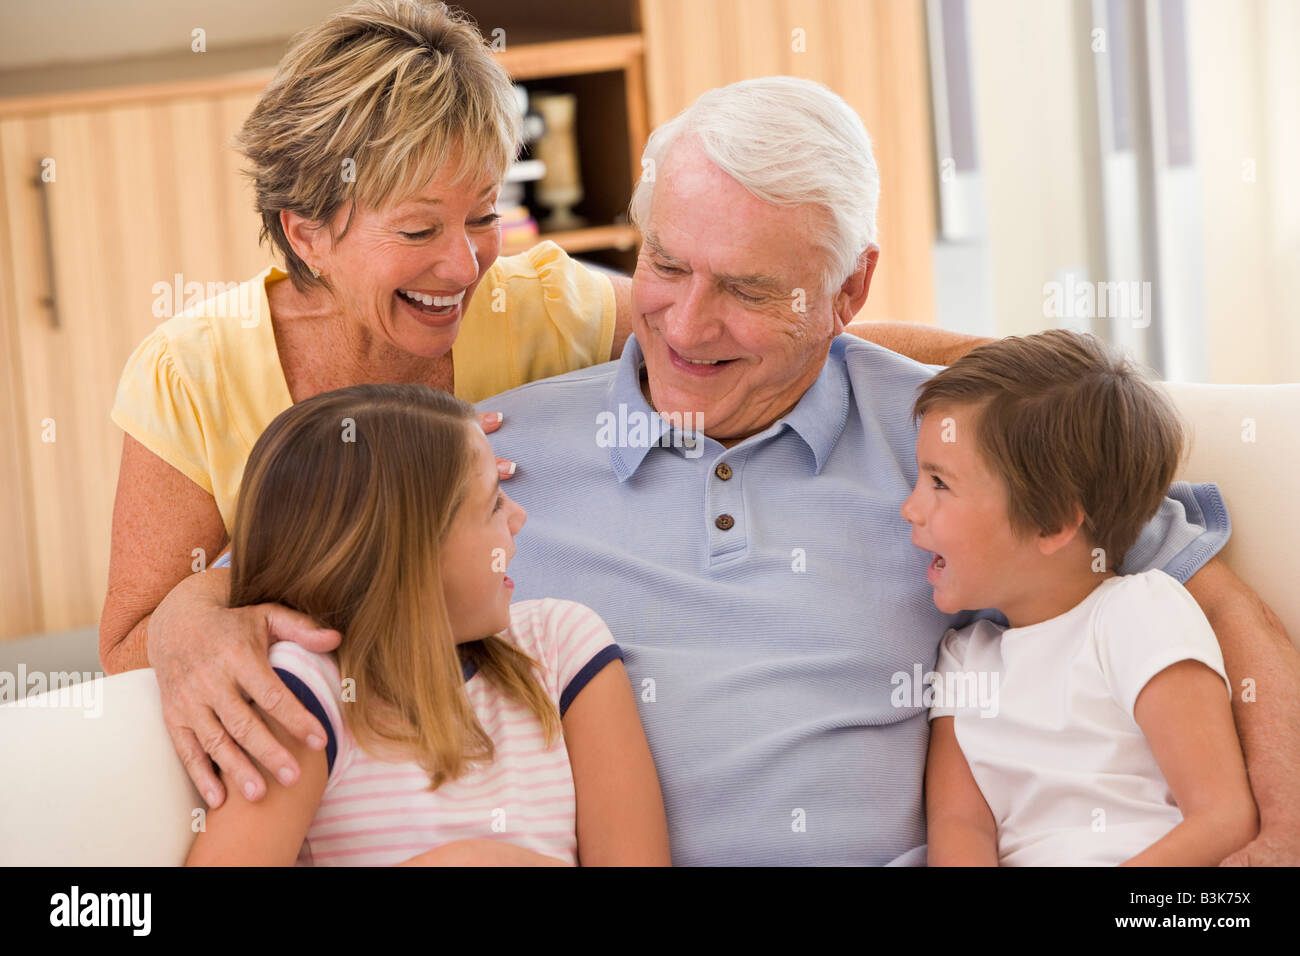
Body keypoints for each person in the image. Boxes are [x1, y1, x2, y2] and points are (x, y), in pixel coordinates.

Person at [141, 75, 1300, 865]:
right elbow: (315, 566)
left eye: (748, 289)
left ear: (849, 291)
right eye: (665, 265)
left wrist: (1275, 840)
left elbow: (1207, 596)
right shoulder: (483, 455)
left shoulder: (960, 444)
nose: (686, 325)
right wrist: (194, 607)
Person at [105, 0, 982, 811]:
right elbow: (127, 640)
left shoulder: (539, 307)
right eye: (418, 230)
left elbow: (752, 333)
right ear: (307, 232)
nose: (463, 266)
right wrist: (196, 607)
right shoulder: (194, 372)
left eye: (483, 216)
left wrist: (1028, 371)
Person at [185, 384, 668, 865]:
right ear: (410, 557)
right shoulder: (305, 695)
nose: (519, 517)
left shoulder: (562, 647)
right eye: (494, 505)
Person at [906, 330, 1258, 866]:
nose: (909, 508)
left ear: (1052, 523)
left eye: (940, 483)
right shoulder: (963, 658)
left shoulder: (1139, 613)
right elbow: (960, 826)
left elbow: (1224, 817)